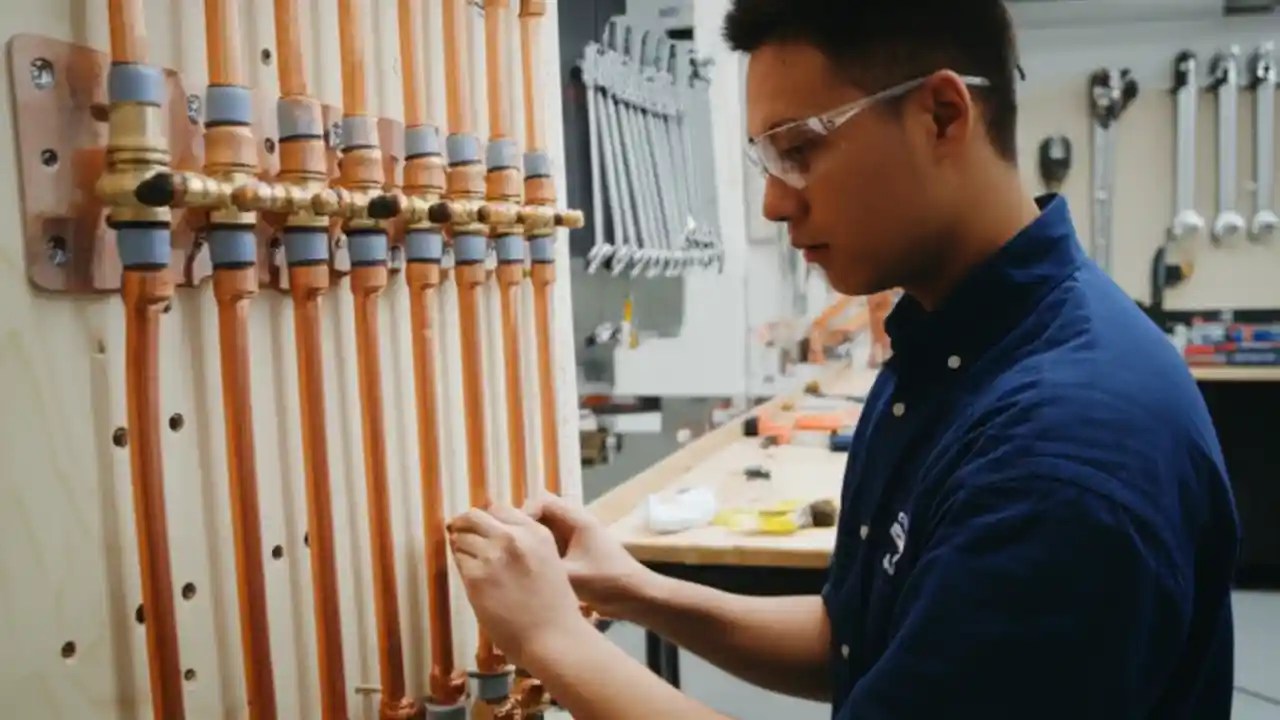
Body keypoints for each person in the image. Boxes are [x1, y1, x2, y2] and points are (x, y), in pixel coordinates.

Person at [446, 0, 1242, 717]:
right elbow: (861, 639)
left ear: (940, 115)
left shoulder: (1064, 453)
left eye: (799, 147)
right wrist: (637, 589)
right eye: (767, 158)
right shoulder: (950, 351)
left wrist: (555, 641)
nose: (774, 200)